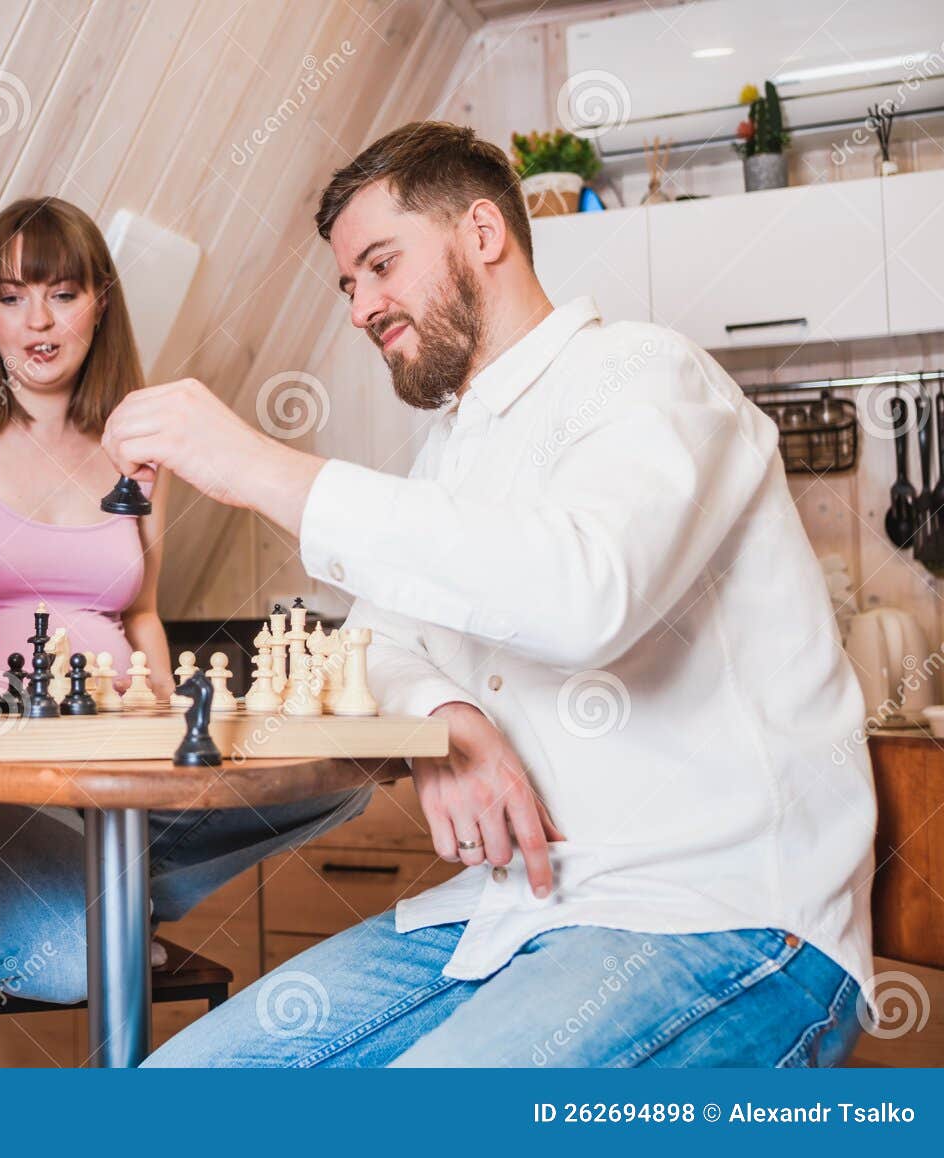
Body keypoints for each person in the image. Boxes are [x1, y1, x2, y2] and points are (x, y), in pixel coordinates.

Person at [112, 122, 874, 1067]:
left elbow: (586, 595)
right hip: (510, 913)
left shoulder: (647, 377)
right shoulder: (452, 450)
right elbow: (378, 644)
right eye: (348, 284)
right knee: (174, 1087)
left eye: (381, 265)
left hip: (721, 919)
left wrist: (259, 469)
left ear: (483, 232)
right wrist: (449, 716)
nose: (360, 307)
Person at [0, 197, 372, 1003]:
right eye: (10, 296)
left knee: (345, 773)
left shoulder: (136, 449)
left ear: (100, 302)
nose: (38, 320)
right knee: (73, 964)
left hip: (115, 781)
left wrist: (173, 719)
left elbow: (139, 615)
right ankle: (111, 913)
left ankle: (111, 897)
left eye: (62, 294)